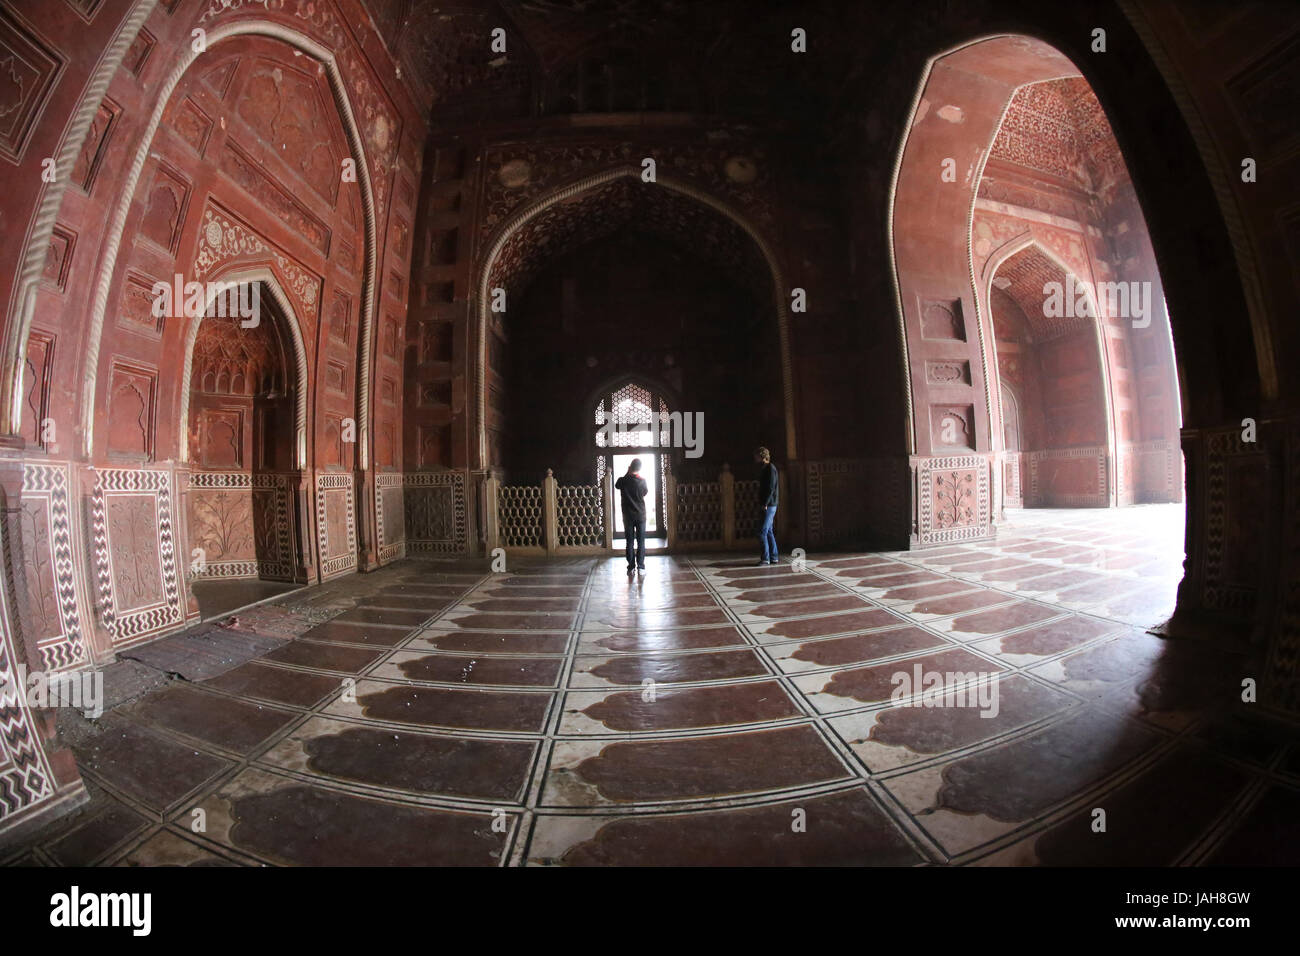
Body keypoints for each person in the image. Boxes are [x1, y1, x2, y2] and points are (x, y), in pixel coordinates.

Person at [615, 458, 648, 573]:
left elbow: (617, 485)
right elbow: (645, 492)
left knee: (629, 542)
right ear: (639, 469)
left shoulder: (623, 480)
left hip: (628, 516)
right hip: (641, 516)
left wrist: (627, 473)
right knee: (641, 541)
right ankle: (641, 567)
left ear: (630, 467)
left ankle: (631, 567)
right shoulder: (642, 481)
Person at [755, 446, 779, 565]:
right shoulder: (765, 468)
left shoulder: (770, 468)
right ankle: (774, 557)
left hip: (769, 505)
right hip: (767, 504)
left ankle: (765, 558)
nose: (755, 458)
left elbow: (770, 488)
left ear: (762, 456)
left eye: (757, 456)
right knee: (768, 531)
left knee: (762, 531)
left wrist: (765, 503)